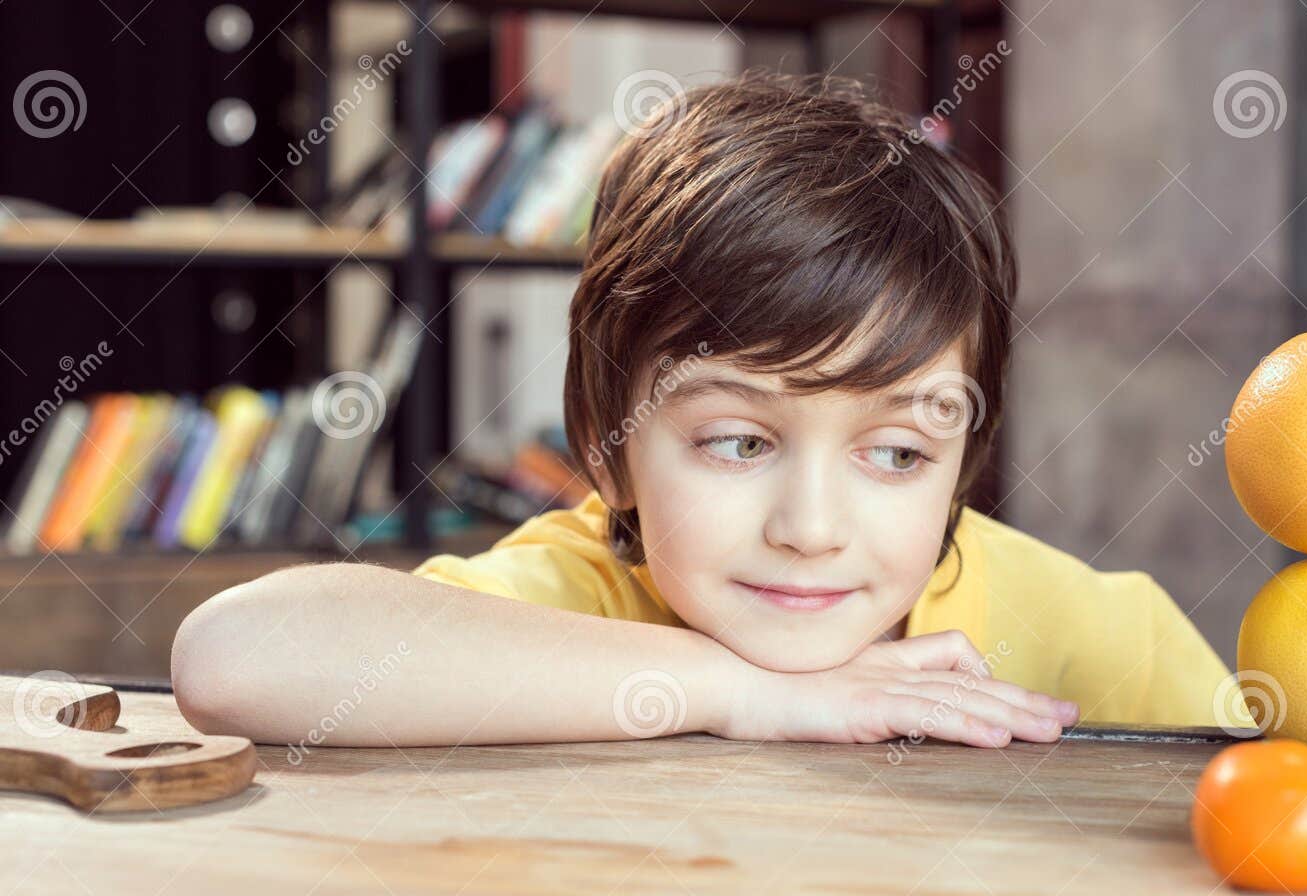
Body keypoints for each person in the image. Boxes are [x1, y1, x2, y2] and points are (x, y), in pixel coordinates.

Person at [172, 72, 1237, 751]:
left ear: (966, 454)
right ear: (606, 444)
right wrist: (733, 690)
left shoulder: (1107, 638)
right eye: (737, 441)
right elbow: (238, 660)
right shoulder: (577, 596)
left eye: (899, 453)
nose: (810, 529)